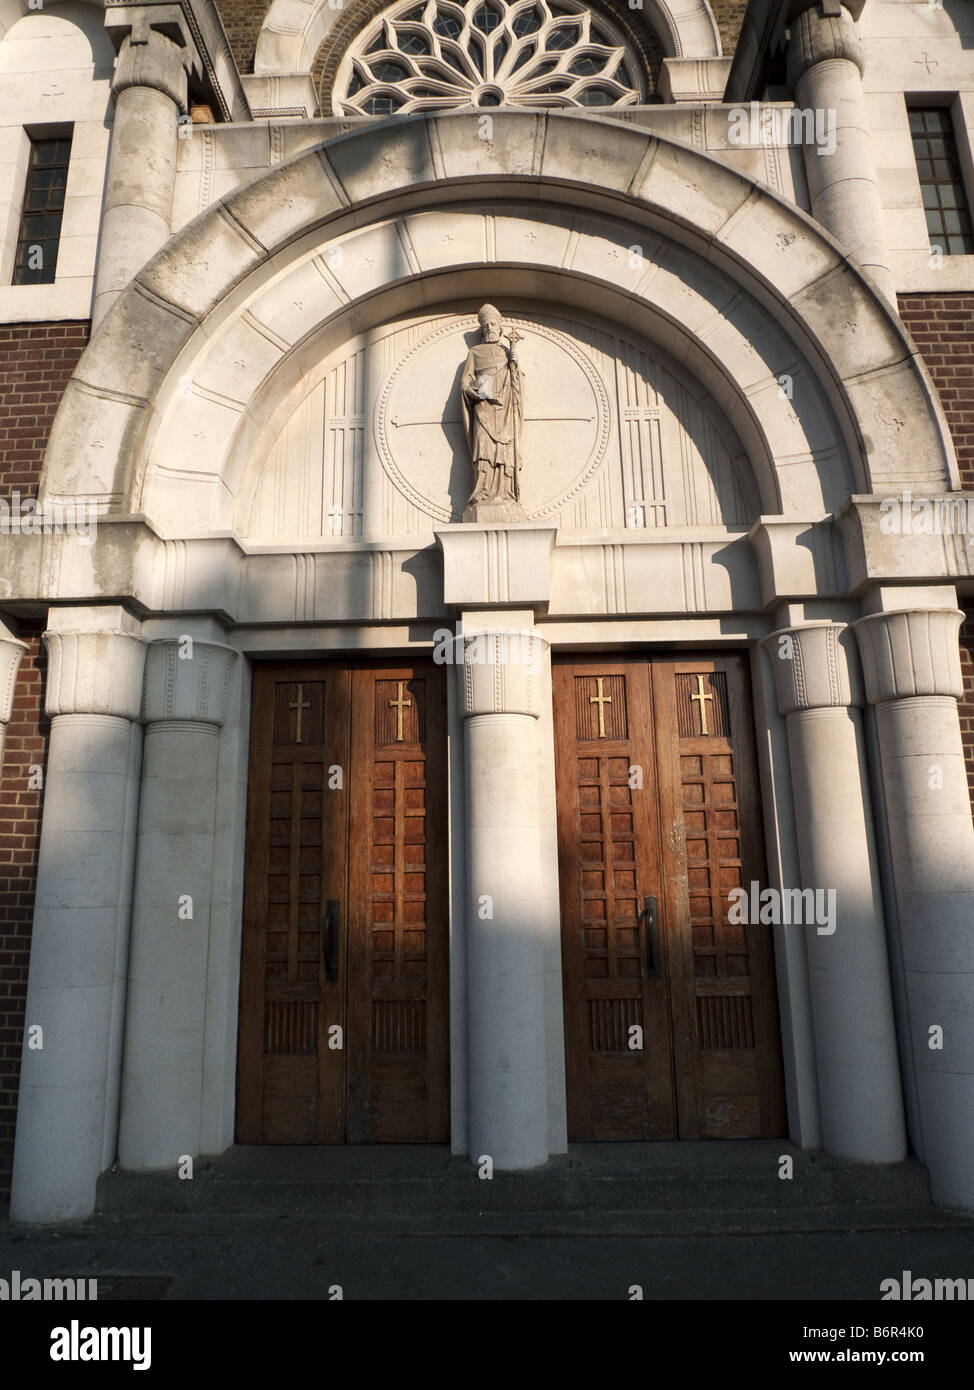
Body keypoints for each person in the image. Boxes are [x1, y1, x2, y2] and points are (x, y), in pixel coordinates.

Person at [461, 303, 523, 506]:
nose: (489, 329)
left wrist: (514, 363)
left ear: (500, 327)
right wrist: (474, 392)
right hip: (484, 408)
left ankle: (505, 492)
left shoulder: (506, 352)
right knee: (483, 450)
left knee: (504, 451)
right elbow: (466, 381)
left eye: (493, 325)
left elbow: (517, 385)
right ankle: (482, 490)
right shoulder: (475, 352)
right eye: (486, 326)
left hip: (504, 409)